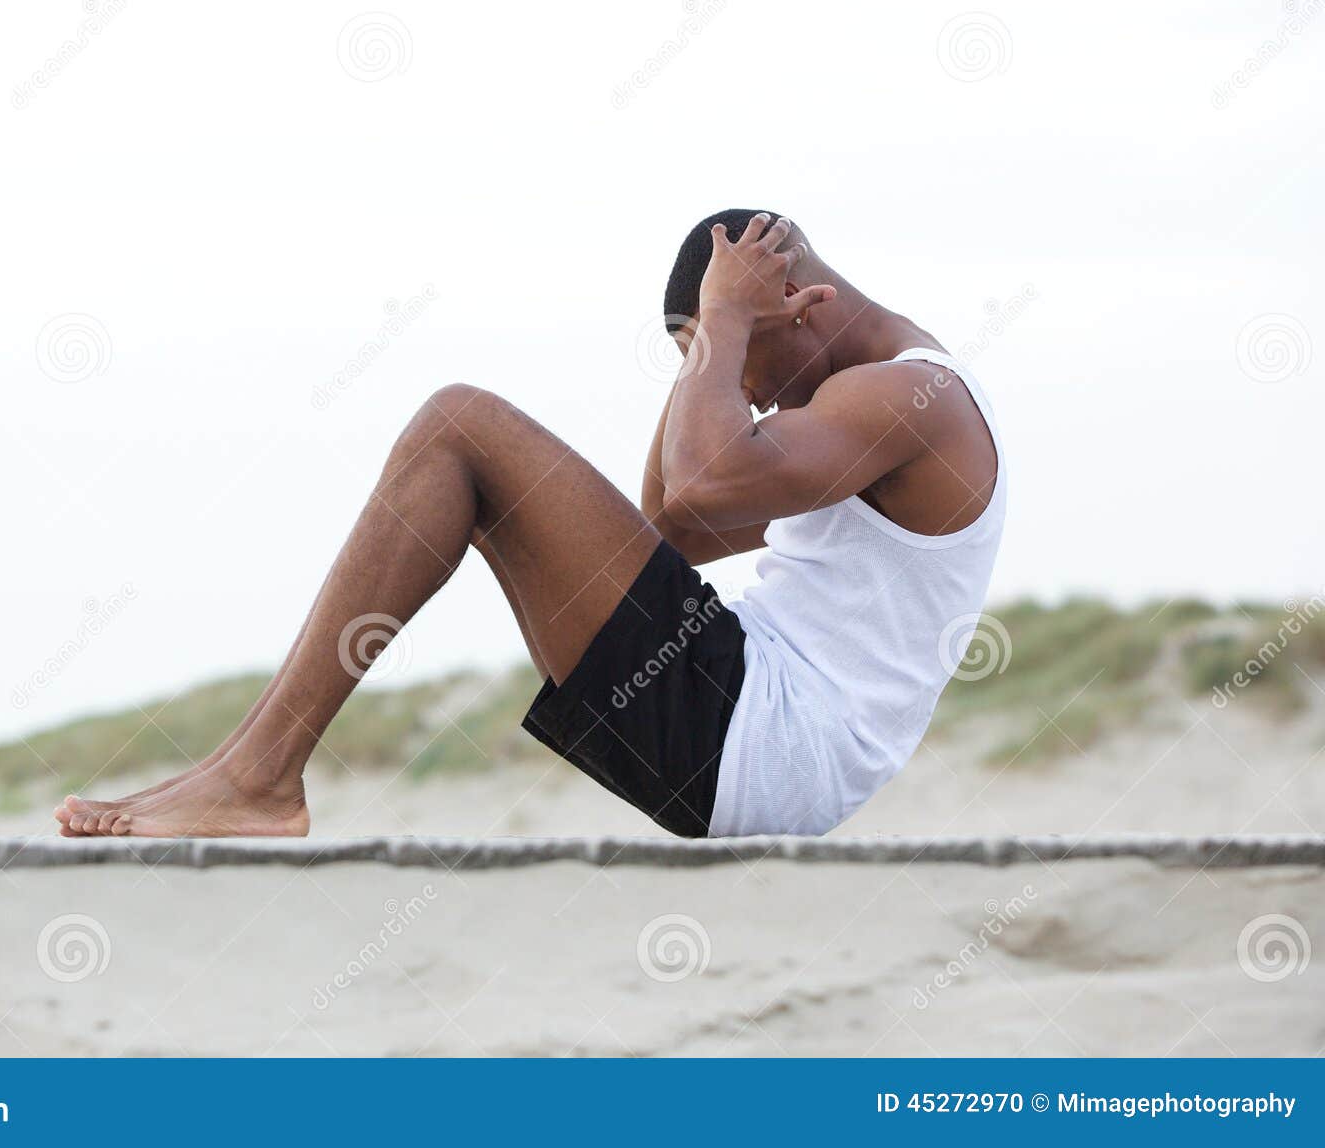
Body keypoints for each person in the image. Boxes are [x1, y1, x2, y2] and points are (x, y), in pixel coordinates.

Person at [54, 210, 1005, 839]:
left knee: (457, 426)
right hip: (749, 731)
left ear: (800, 305)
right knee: (462, 442)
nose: (742, 392)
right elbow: (672, 521)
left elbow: (705, 480)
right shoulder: (860, 405)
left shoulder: (909, 400)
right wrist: (712, 342)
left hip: (765, 739)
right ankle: (239, 772)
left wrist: (723, 325)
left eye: (743, 360)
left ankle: (256, 780)